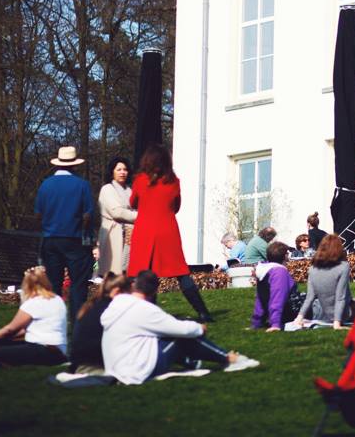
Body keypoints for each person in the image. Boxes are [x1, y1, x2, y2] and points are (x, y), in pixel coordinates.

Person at [102, 270, 258, 384]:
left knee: (167, 337)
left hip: (116, 366)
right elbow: (181, 329)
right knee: (182, 337)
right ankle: (228, 358)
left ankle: (196, 362)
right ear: (155, 290)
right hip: (136, 371)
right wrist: (199, 328)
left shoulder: (116, 306)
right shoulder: (143, 309)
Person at [126, 144, 213, 322]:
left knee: (140, 274)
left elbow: (133, 202)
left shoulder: (140, 180)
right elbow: (176, 206)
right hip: (167, 230)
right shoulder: (173, 181)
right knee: (181, 273)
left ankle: (144, 313)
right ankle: (203, 312)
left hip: (144, 230)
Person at [34, 145, 95, 320]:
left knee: (53, 285)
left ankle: (52, 324)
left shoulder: (45, 185)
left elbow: (38, 214)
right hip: (74, 239)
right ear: (74, 165)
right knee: (78, 285)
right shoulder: (82, 185)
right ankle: (77, 325)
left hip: (50, 239)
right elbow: (88, 215)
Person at [0, 267, 67, 369]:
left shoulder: (33, 303)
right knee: (0, 345)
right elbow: (25, 331)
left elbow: (11, 328)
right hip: (59, 351)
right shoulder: (57, 299)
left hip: (42, 349)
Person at [67, 272, 129, 374]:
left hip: (78, 363)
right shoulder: (113, 309)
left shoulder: (90, 306)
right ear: (117, 292)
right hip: (95, 366)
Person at [295, 233, 353, 329]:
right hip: (344, 314)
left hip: (326, 314)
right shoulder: (343, 266)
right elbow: (340, 297)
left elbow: (310, 297)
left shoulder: (313, 269)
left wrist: (299, 318)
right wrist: (337, 323)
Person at [97, 156, 137, 277]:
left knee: (127, 274)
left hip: (130, 238)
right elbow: (117, 212)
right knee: (112, 275)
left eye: (125, 169)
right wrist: (141, 216)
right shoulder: (107, 189)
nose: (122, 172)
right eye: (118, 169)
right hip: (113, 235)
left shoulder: (129, 190)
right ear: (112, 172)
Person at [251, 241, 295, 331]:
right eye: (287, 254)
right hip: (291, 313)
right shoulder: (279, 272)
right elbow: (278, 298)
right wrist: (275, 324)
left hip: (282, 315)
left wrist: (256, 323)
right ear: (284, 256)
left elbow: (260, 299)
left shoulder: (264, 271)